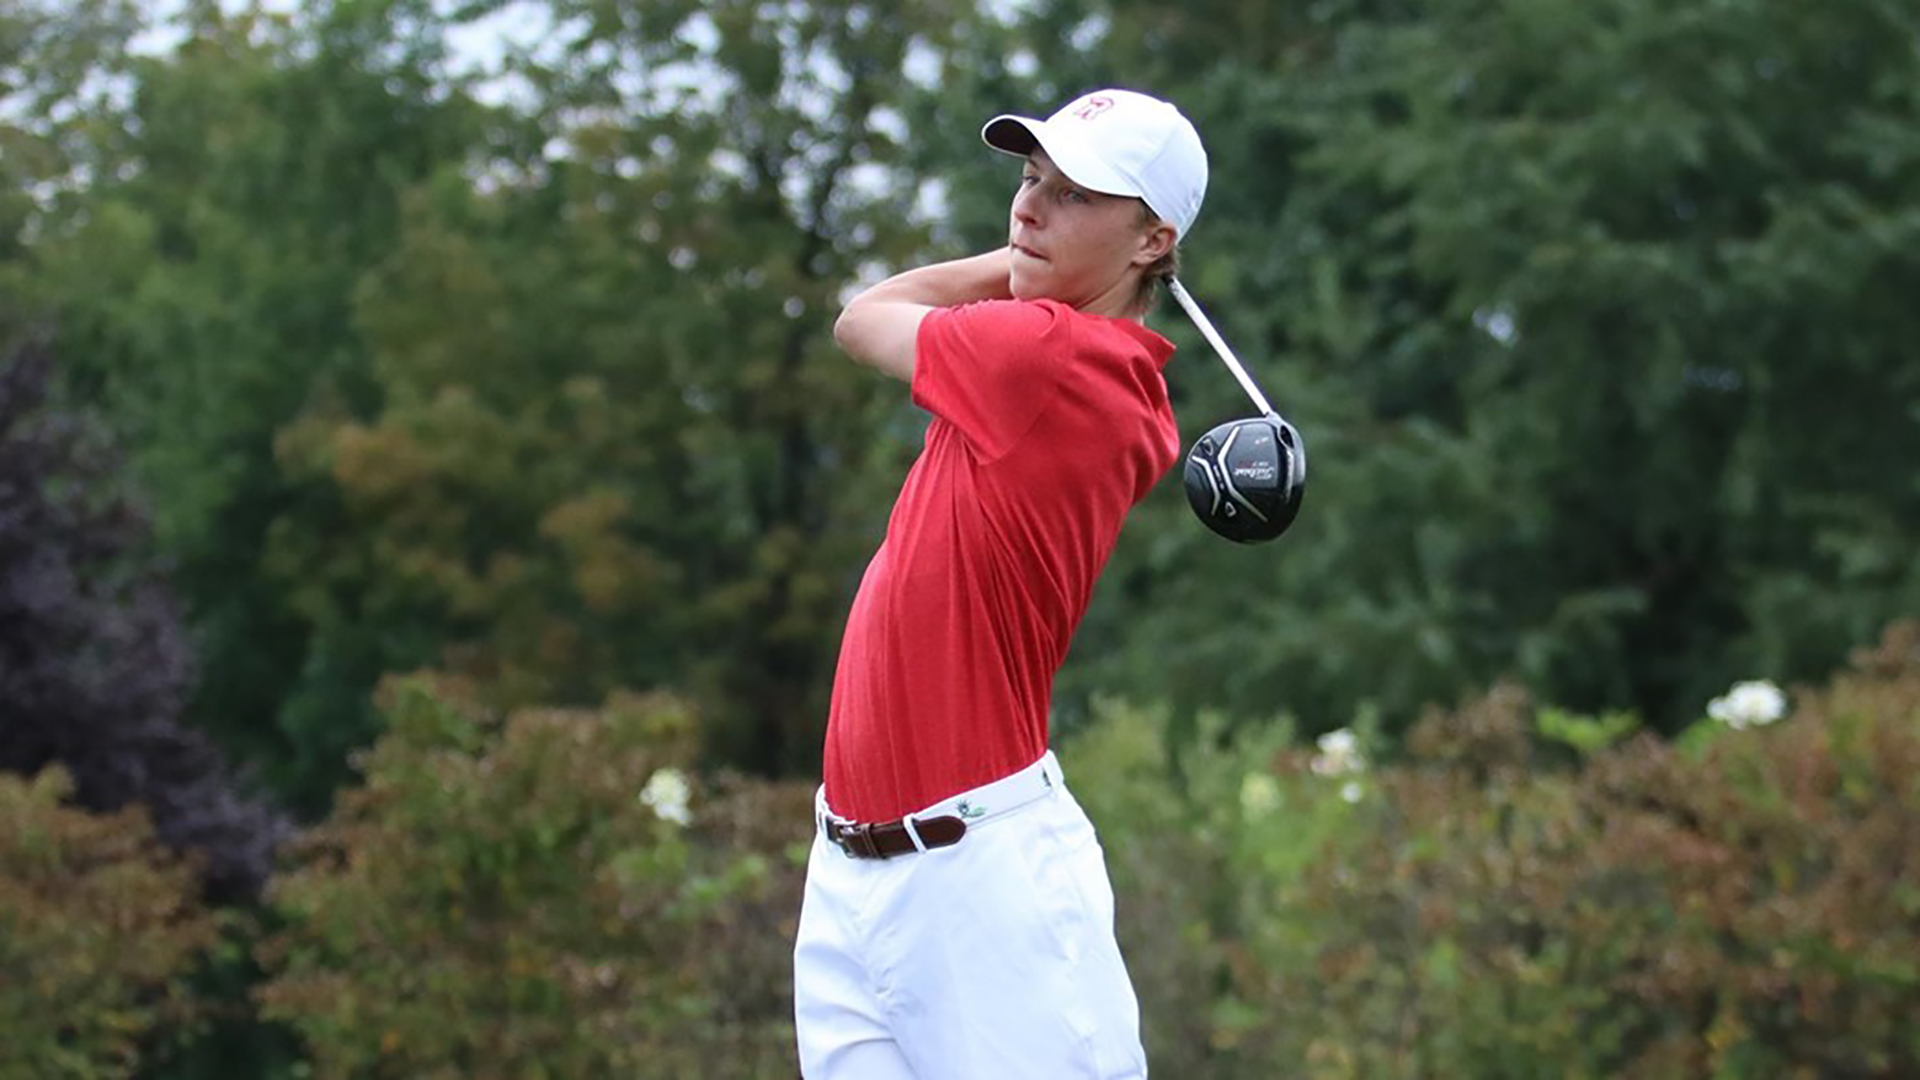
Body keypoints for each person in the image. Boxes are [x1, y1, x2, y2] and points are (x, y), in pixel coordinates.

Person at [793, 88, 1208, 1079]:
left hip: (979, 885)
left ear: (1153, 240)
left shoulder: (1041, 352)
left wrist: (1013, 273)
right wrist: (1045, 259)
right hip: (854, 870)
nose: (1027, 210)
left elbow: (864, 319)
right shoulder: (1087, 359)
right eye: (1029, 180)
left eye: (1070, 197)